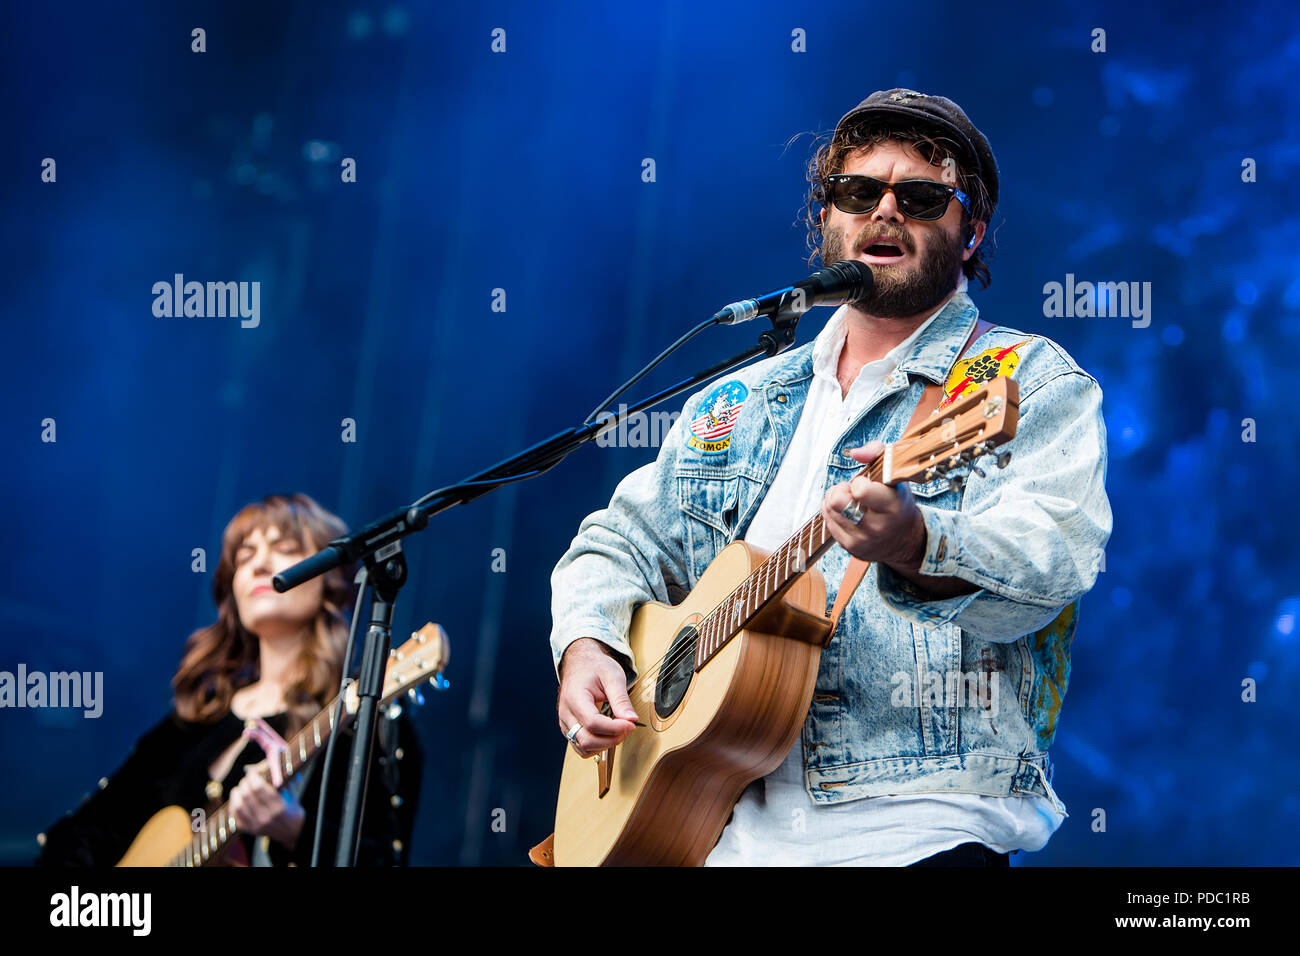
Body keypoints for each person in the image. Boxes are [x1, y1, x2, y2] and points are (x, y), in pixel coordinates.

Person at [549, 90, 1112, 866]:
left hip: (918, 830)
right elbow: (617, 541)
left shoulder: (1027, 380)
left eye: (920, 197)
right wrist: (587, 644)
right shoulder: (739, 400)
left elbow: (1054, 560)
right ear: (826, 217)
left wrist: (919, 540)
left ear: (971, 229)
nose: (885, 211)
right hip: (714, 832)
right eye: (857, 192)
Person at [37, 493, 422, 866]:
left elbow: (383, 857)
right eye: (244, 555)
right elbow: (81, 834)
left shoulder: (362, 714)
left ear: (331, 582)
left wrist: (294, 831)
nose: (258, 564)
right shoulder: (193, 722)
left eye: (285, 548)